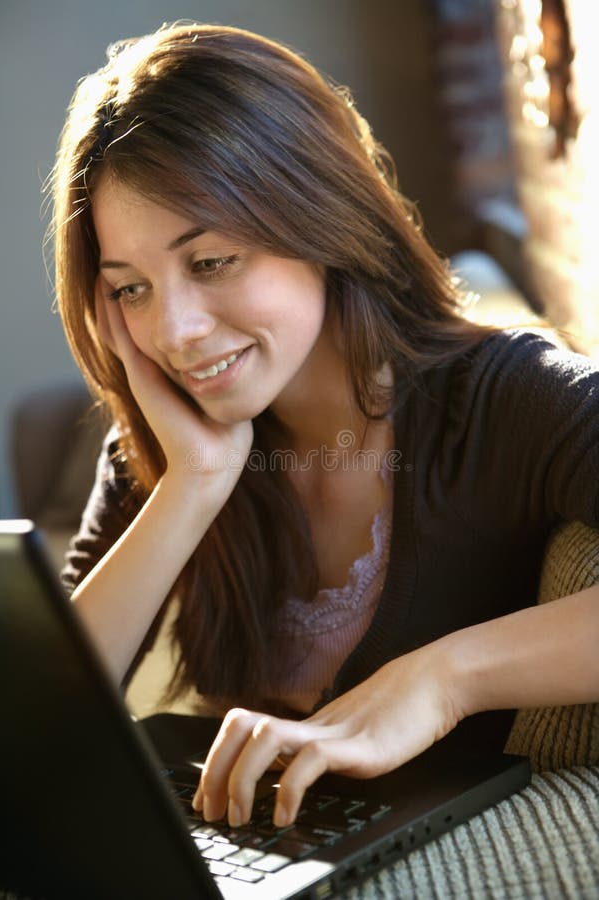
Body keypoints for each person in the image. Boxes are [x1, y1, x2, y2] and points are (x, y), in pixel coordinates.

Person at [50, 21, 599, 832]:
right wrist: (192, 486)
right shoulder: (173, 441)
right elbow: (39, 723)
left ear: (321, 220)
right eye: (130, 288)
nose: (174, 331)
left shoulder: (500, 396)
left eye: (210, 263)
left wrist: (446, 678)